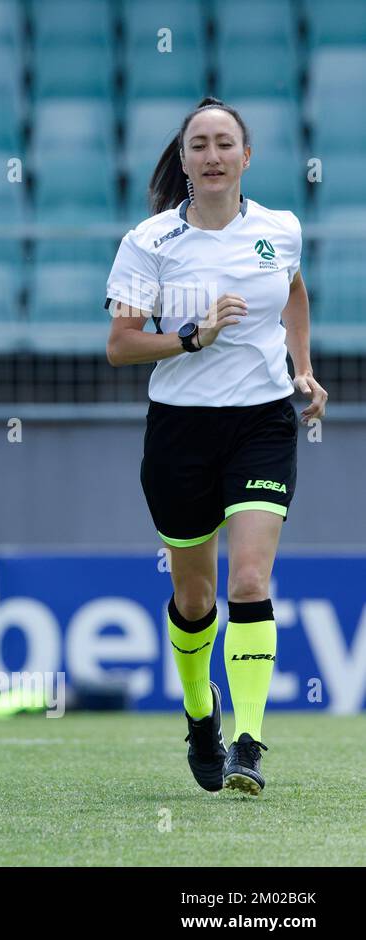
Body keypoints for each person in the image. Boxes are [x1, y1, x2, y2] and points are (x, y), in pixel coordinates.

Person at [104, 96, 327, 796]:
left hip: (261, 422)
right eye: (198, 144)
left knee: (250, 583)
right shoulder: (149, 242)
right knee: (195, 598)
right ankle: (202, 712)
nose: (211, 154)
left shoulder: (280, 229)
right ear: (184, 159)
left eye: (224, 142)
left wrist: (303, 366)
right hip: (180, 429)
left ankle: (250, 743)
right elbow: (120, 345)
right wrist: (191, 337)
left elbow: (293, 291)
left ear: (246, 156)